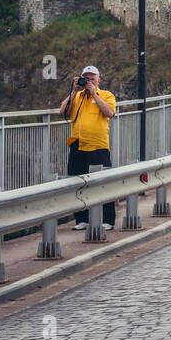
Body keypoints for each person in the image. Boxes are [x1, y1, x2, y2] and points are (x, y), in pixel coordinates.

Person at [58, 65, 117, 231]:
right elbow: (63, 111)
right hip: (77, 144)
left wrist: (94, 94)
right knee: (76, 182)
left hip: (98, 144)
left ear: (98, 80)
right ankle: (82, 219)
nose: (89, 81)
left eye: (92, 78)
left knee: (103, 183)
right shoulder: (77, 96)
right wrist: (74, 91)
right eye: (86, 78)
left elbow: (109, 112)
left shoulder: (106, 95)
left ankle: (108, 220)